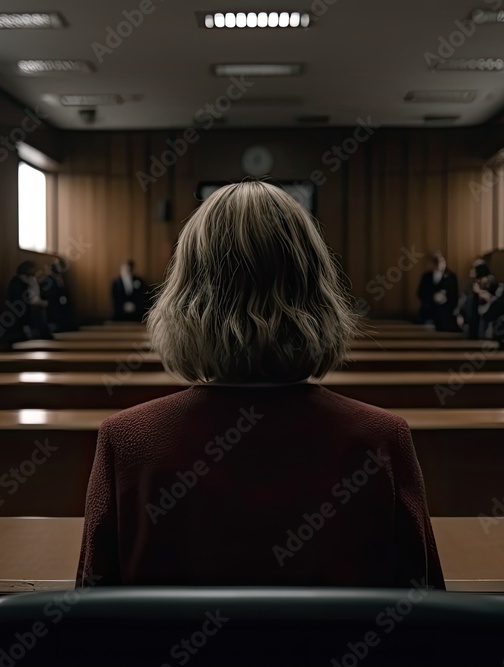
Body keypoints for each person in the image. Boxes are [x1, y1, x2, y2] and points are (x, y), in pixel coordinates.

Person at [77, 181, 444, 589]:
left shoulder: (127, 441)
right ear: (316, 291)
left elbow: (90, 621)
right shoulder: (382, 438)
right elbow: (425, 619)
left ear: (187, 295)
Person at [416, 252, 460, 331]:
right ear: (433, 263)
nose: (440, 264)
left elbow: (455, 295)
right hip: (428, 313)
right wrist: (433, 297)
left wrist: (445, 298)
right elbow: (420, 293)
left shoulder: (451, 277)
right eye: (437, 262)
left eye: (442, 262)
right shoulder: (426, 277)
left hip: (446, 315)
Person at [6, 261, 49, 339]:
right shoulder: (17, 284)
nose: (32, 278)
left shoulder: (28, 281)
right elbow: (32, 301)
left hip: (27, 321)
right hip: (18, 322)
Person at [474, 263, 504, 341]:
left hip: (497, 323)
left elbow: (495, 303)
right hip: (484, 324)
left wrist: (480, 292)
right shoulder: (481, 290)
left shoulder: (499, 287)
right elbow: (480, 309)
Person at [42, 258, 75, 332]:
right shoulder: (48, 280)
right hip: (54, 305)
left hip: (62, 305)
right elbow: (49, 294)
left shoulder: (62, 278)